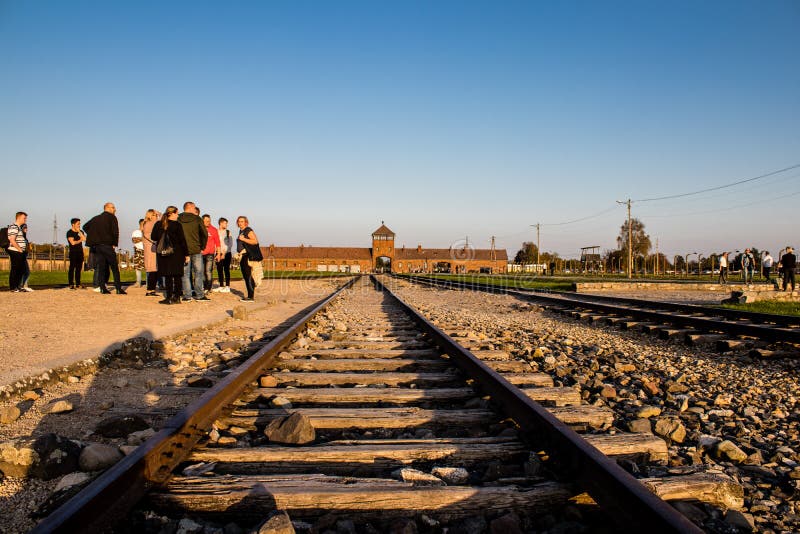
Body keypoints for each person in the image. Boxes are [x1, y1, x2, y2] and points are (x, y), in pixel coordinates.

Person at [83, 202, 125, 294]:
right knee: (114, 267)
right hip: (107, 245)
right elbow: (115, 231)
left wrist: (93, 235)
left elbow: (85, 227)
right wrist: (114, 243)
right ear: (107, 208)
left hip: (97, 246)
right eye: (113, 207)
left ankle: (102, 288)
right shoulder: (112, 217)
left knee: (101, 267)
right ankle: (118, 288)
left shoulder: (96, 218)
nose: (115, 209)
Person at [150, 206, 189, 304]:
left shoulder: (159, 224)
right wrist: (186, 254)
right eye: (177, 213)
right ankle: (177, 297)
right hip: (177, 253)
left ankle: (168, 297)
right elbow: (182, 241)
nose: (178, 215)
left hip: (164, 253)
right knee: (177, 276)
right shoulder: (177, 225)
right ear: (172, 213)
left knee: (167, 276)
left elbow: (153, 236)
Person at [178, 201, 208, 302]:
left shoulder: (178, 218)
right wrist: (202, 246)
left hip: (183, 250)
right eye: (194, 207)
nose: (195, 209)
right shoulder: (197, 219)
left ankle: (187, 295)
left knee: (185, 274)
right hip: (196, 249)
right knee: (198, 272)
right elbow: (204, 233)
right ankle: (199, 295)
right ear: (190, 207)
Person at [236, 215, 262, 302]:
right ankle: (250, 295)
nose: (240, 223)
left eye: (242, 221)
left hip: (247, 255)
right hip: (242, 255)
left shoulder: (248, 230)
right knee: (246, 276)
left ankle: (250, 297)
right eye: (239, 221)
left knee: (248, 276)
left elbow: (255, 241)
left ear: (246, 222)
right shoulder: (241, 231)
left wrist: (243, 239)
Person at [5, 213, 29, 292]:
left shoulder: (19, 227)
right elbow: (12, 239)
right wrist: (20, 250)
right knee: (15, 269)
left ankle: (17, 286)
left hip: (19, 251)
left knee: (21, 269)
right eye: (24, 218)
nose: (25, 220)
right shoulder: (14, 227)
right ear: (18, 218)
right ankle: (13, 287)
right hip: (15, 251)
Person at [141, 209, 161, 296]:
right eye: (154, 215)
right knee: (152, 269)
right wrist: (157, 241)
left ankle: (151, 289)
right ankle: (150, 290)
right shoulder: (149, 224)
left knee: (155, 270)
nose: (156, 216)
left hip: (153, 248)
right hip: (151, 249)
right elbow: (149, 235)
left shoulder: (151, 223)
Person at [201, 214, 221, 292]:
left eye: (209, 221)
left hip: (210, 253)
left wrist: (218, 254)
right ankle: (203, 286)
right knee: (201, 271)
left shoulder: (213, 229)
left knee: (208, 271)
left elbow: (218, 243)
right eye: (206, 221)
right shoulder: (200, 229)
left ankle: (208, 287)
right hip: (201, 253)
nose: (208, 222)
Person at [214, 217, 233, 293]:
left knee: (226, 269)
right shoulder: (216, 232)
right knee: (219, 270)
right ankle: (221, 286)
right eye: (225, 223)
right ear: (220, 223)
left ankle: (227, 286)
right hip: (218, 253)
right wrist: (218, 253)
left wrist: (224, 253)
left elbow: (230, 244)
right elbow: (215, 243)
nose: (226, 224)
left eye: (227, 223)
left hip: (227, 253)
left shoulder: (228, 232)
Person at [66, 218, 86, 289]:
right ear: (73, 224)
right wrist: (80, 239)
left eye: (79, 224)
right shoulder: (69, 232)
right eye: (78, 224)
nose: (79, 225)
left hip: (80, 252)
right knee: (72, 268)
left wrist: (79, 232)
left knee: (79, 268)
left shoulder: (80, 231)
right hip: (73, 252)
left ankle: (78, 283)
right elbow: (73, 243)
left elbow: (85, 239)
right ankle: (71, 283)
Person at [19, 223, 33, 291]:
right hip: (20, 256)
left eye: (26, 227)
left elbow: (26, 248)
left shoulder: (25, 237)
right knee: (25, 271)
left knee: (25, 272)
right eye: (25, 228)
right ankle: (22, 285)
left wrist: (29, 247)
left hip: (24, 256)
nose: (26, 229)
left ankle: (23, 285)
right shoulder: (21, 236)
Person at [131, 219, 145, 287]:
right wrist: (143, 238)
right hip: (138, 250)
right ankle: (138, 282)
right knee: (138, 267)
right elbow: (134, 240)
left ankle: (150, 283)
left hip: (147, 250)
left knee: (149, 268)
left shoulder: (148, 232)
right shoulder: (136, 232)